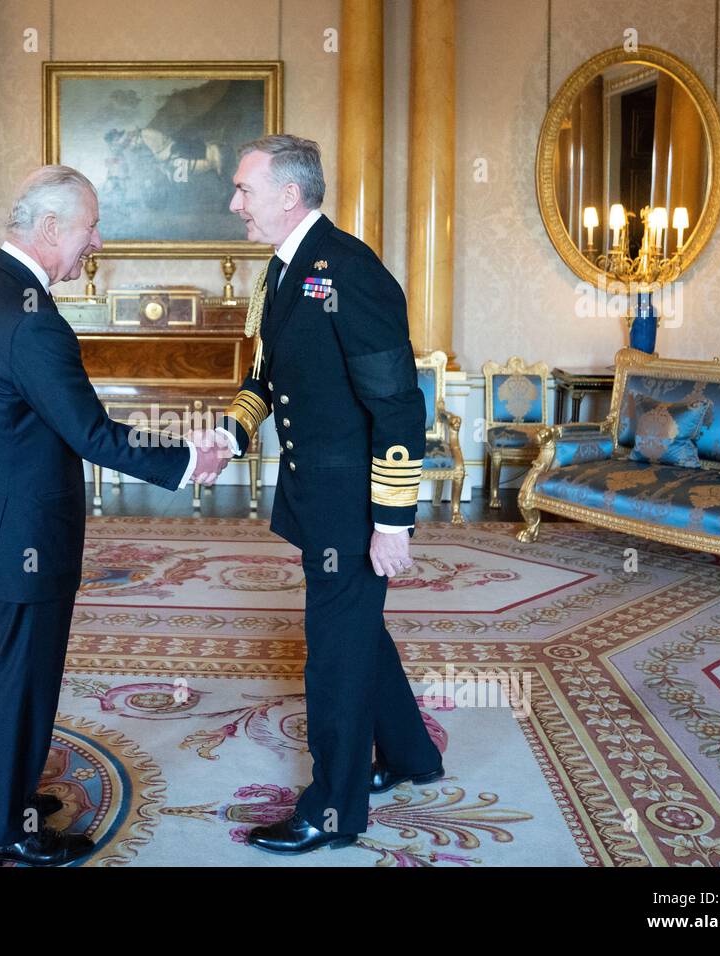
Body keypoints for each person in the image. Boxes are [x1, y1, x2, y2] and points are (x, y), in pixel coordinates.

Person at [0, 165, 231, 866]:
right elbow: (92, 433)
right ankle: (3, 835)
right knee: (24, 676)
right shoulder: (32, 321)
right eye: (91, 227)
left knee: (5, 662)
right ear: (52, 228)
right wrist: (188, 461)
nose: (98, 240)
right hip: (25, 534)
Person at [215, 134, 444, 854]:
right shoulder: (283, 274)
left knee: (334, 653)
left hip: (355, 503)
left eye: (244, 190)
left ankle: (334, 812)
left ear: (289, 195)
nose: (235, 204)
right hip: (316, 493)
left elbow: (399, 406)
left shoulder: (349, 270)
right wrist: (231, 434)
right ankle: (411, 756)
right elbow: (266, 378)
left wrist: (393, 521)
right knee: (355, 634)